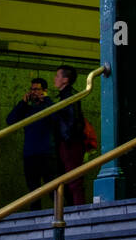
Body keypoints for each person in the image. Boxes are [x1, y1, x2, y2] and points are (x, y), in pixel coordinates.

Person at [5, 77, 55, 203]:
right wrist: (22, 103)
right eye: (31, 89)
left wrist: (46, 99)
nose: (33, 92)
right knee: (33, 188)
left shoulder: (49, 105)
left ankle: (60, 210)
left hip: (46, 152)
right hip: (30, 154)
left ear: (44, 90)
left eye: (37, 89)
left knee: (51, 185)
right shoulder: (27, 109)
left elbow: (56, 116)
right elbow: (10, 120)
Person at [53, 65, 86, 207]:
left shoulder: (69, 97)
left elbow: (73, 120)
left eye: (58, 76)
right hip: (66, 141)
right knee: (70, 179)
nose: (55, 79)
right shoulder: (65, 96)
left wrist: (67, 138)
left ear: (65, 80)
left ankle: (78, 209)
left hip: (70, 142)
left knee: (73, 180)